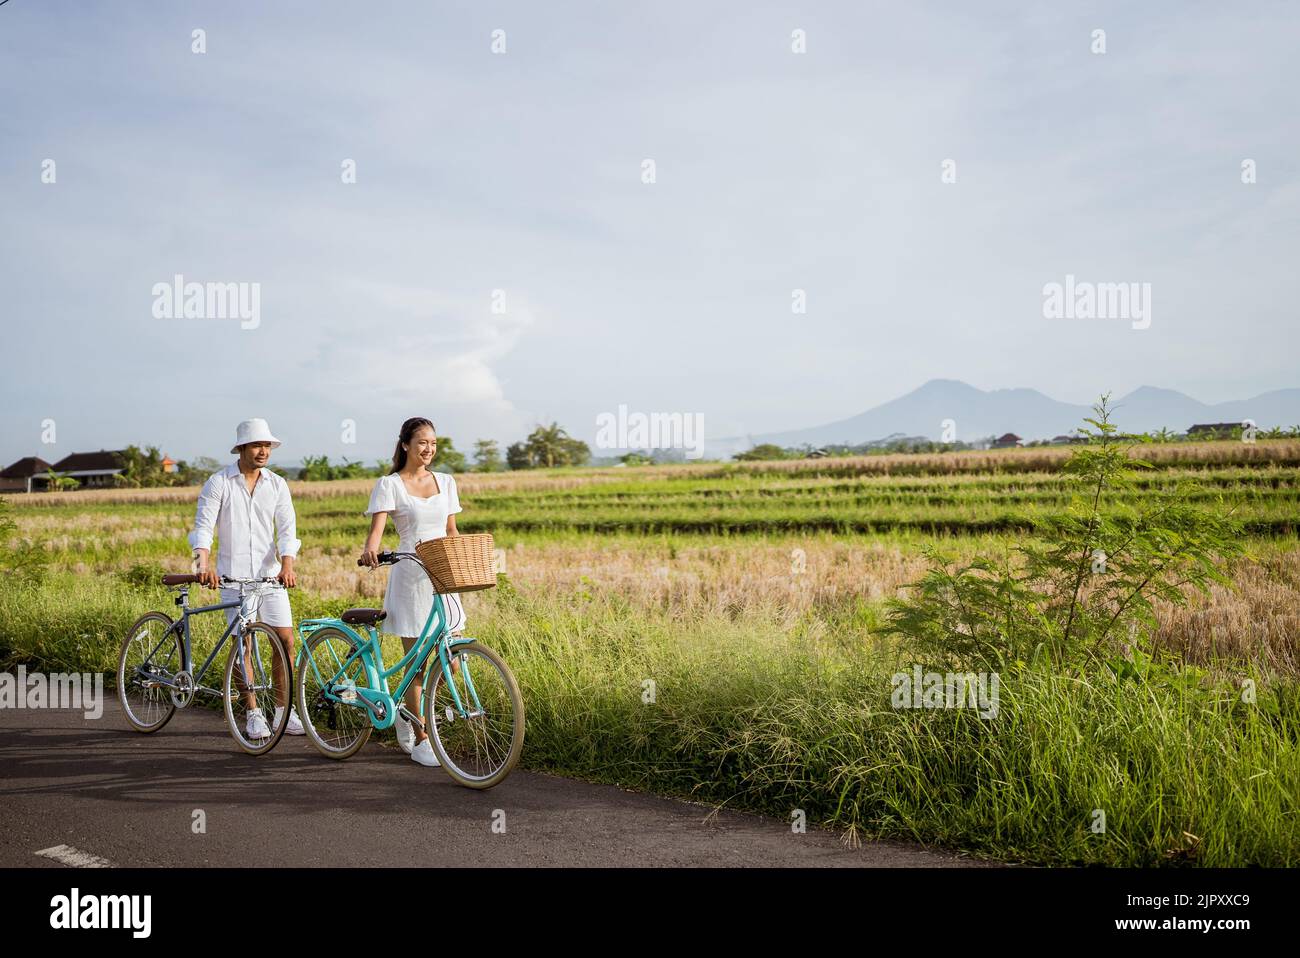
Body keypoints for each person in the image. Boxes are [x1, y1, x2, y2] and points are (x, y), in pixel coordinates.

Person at [359, 417, 465, 767]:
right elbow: (376, 531)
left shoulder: (446, 482)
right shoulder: (390, 484)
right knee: (416, 663)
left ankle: (410, 711)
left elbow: (451, 530)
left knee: (450, 654)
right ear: (405, 444)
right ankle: (421, 736)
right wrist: (371, 550)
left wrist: (463, 556)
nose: (429, 449)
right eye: (422, 442)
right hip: (409, 572)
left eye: (433, 443)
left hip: (442, 573)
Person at [189, 418, 305, 738]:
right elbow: (203, 527)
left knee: (285, 641)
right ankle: (253, 711)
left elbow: (287, 530)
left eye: (267, 445)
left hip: (270, 578)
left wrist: (288, 565)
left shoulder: (277, 484)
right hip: (233, 579)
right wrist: (203, 564)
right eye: (257, 445)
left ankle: (284, 710)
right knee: (244, 644)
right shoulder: (219, 483)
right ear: (241, 448)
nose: (263, 451)